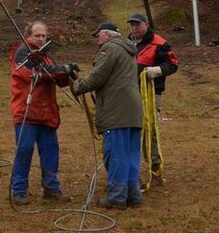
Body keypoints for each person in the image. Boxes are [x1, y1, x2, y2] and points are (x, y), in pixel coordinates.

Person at [72, 22, 143, 209]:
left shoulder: (110, 49)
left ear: (107, 35)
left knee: (116, 155)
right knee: (130, 154)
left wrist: (78, 86)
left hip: (116, 110)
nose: (97, 40)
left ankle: (117, 197)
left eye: (98, 35)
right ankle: (133, 195)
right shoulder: (128, 50)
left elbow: (98, 76)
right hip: (133, 111)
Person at [8, 20, 74, 205]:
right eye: (37, 35)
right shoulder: (22, 52)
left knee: (50, 151)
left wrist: (68, 72)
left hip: (46, 113)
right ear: (28, 36)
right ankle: (19, 190)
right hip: (26, 111)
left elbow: (58, 79)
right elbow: (29, 74)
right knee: (25, 150)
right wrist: (58, 69)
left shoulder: (46, 56)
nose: (40, 39)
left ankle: (51, 188)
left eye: (43, 35)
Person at [126, 12, 178, 183]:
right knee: (130, 131)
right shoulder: (126, 44)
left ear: (146, 24)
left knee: (150, 131)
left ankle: (155, 169)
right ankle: (132, 172)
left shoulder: (160, 43)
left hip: (151, 93)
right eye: (132, 25)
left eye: (137, 25)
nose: (134, 28)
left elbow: (172, 64)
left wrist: (156, 71)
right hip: (128, 93)